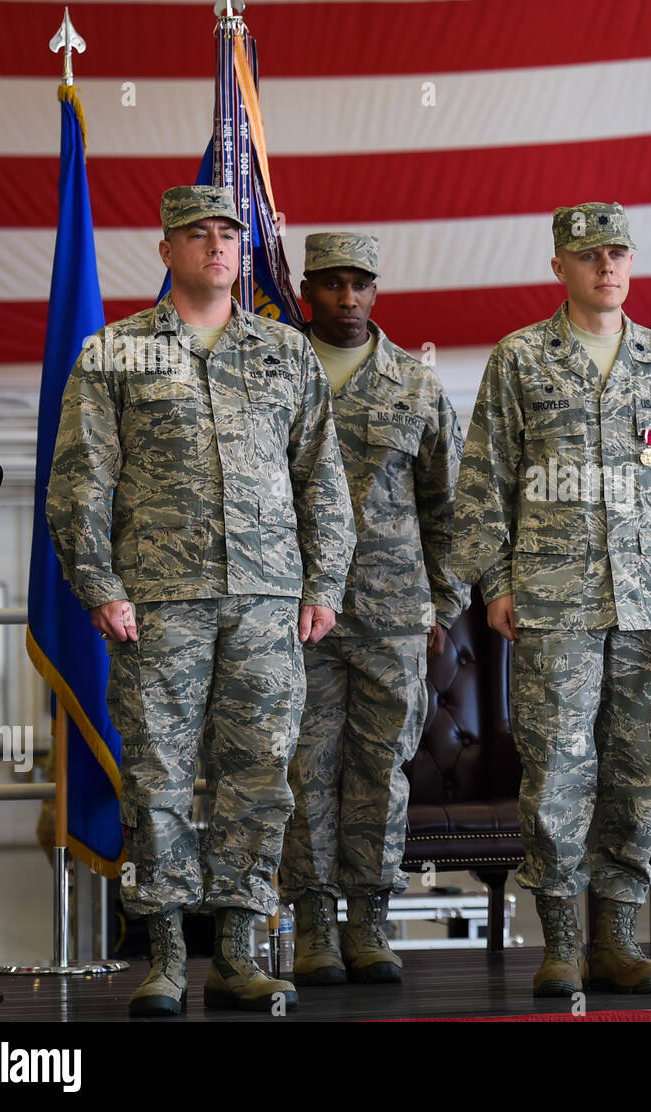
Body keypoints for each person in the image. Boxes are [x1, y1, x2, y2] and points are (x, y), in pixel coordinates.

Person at [47, 186, 355, 1016]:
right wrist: (100, 586)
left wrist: (323, 583)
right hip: (158, 604)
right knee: (157, 779)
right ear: (167, 249)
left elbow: (321, 478)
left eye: (228, 233)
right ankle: (167, 956)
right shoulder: (116, 352)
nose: (216, 246)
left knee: (258, 780)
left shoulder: (285, 354)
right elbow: (81, 481)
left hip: (265, 601)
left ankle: (242, 954)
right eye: (197, 234)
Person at [454, 202, 651, 997]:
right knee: (560, 770)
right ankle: (562, 940)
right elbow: (483, 482)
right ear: (560, 266)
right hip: (552, 601)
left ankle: (616, 937)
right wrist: (495, 582)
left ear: (632, 264)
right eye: (589, 254)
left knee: (640, 769)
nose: (607, 266)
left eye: (618, 253)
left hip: (647, 605)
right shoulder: (521, 360)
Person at [279, 232, 468, 986]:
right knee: (305, 768)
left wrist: (441, 604)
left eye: (361, 284)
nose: (347, 298)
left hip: (393, 614)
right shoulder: (276, 374)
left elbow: (451, 506)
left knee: (381, 771)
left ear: (377, 291)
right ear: (307, 292)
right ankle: (315, 924)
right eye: (331, 284)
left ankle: (370, 921)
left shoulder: (414, 385)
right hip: (295, 612)